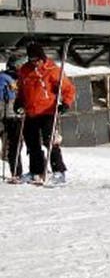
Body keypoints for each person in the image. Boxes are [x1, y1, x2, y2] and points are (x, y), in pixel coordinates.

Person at [16, 43, 75, 184]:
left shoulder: (52, 70)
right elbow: (22, 90)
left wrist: (66, 104)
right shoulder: (24, 70)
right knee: (32, 143)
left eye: (37, 60)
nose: (35, 63)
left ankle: (58, 171)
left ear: (42, 58)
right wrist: (18, 103)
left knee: (50, 141)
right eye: (32, 60)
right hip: (31, 112)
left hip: (47, 111)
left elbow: (68, 89)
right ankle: (37, 171)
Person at [1, 58, 22, 179]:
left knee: (15, 144)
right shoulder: (5, 78)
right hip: (9, 116)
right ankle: (16, 172)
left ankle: (17, 172)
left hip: (14, 115)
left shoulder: (17, 78)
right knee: (14, 144)